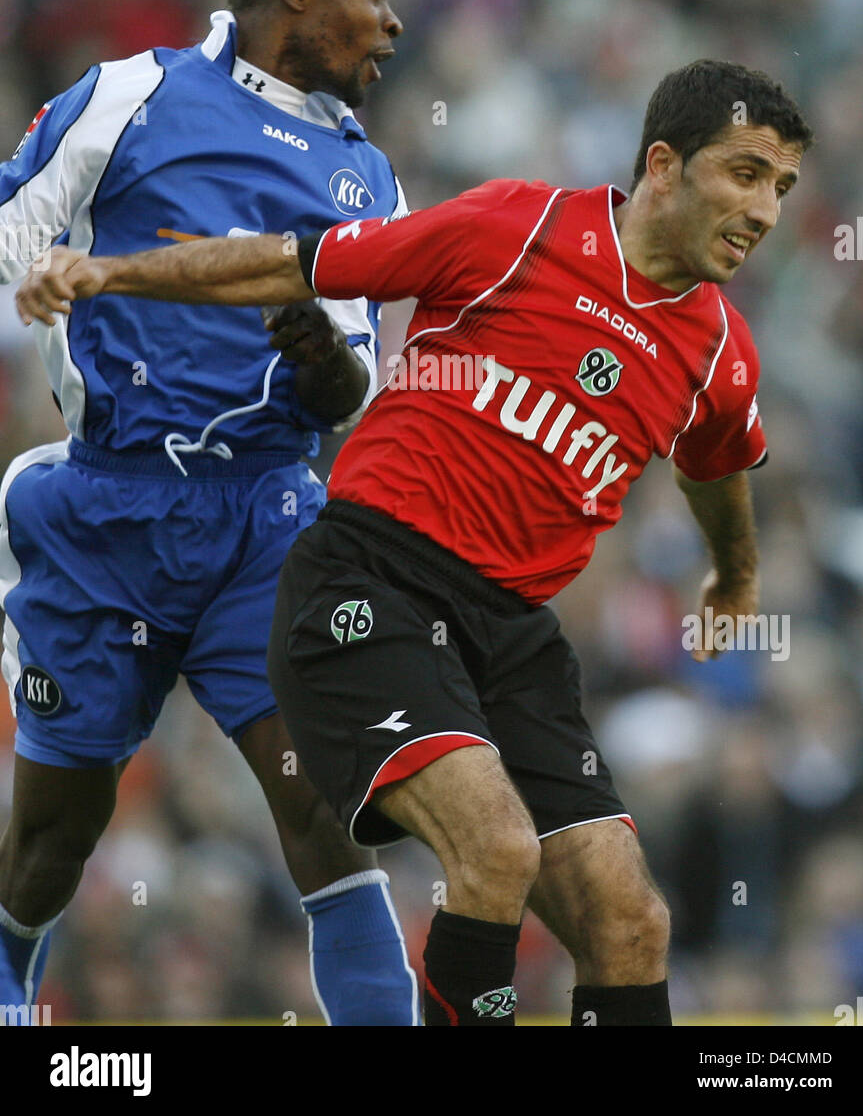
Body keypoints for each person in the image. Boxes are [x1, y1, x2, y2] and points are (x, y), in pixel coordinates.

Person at [17, 59, 813, 1026]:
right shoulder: (515, 229)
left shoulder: (723, 351)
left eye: (783, 187)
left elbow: (715, 461)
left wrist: (737, 573)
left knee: (632, 921)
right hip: (369, 583)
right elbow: (291, 262)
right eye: (743, 174)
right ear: (662, 164)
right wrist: (111, 271)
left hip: (513, 634)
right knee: (497, 849)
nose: (765, 209)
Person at [0, 0, 420, 1026]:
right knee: (51, 844)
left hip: (268, 520)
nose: (391, 23)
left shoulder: (367, 179)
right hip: (104, 516)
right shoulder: (127, 99)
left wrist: (317, 360)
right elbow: (12, 234)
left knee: (322, 815)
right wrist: (35, 279)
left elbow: (352, 385)